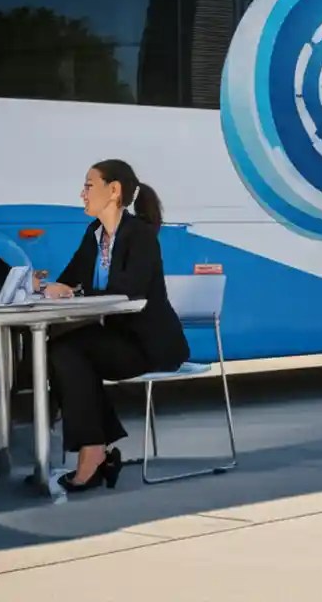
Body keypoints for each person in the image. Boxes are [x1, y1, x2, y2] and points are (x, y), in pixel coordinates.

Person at [37, 158, 190, 493]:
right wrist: (46, 286)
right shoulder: (94, 234)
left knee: (67, 353)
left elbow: (128, 290)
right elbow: (69, 279)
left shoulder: (141, 236)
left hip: (149, 345)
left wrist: (76, 291)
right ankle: (95, 450)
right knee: (60, 350)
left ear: (114, 190)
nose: (82, 193)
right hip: (117, 338)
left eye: (89, 185)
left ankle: (94, 451)